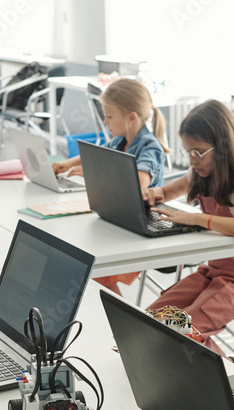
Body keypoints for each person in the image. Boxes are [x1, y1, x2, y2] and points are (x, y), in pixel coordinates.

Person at [143, 99, 234, 357]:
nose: (192, 160)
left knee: (185, 328)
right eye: (188, 152)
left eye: (198, 152)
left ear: (223, 147)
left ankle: (227, 376)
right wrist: (152, 193)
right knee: (153, 318)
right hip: (215, 272)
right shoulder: (201, 173)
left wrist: (196, 219)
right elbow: (165, 192)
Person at [52, 77, 170, 295]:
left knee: (96, 269)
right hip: (116, 220)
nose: (105, 122)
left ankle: (120, 322)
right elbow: (95, 155)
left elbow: (139, 182)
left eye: (109, 116)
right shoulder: (120, 140)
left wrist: (94, 174)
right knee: (78, 255)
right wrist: (66, 163)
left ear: (131, 117)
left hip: (137, 230)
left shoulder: (150, 147)